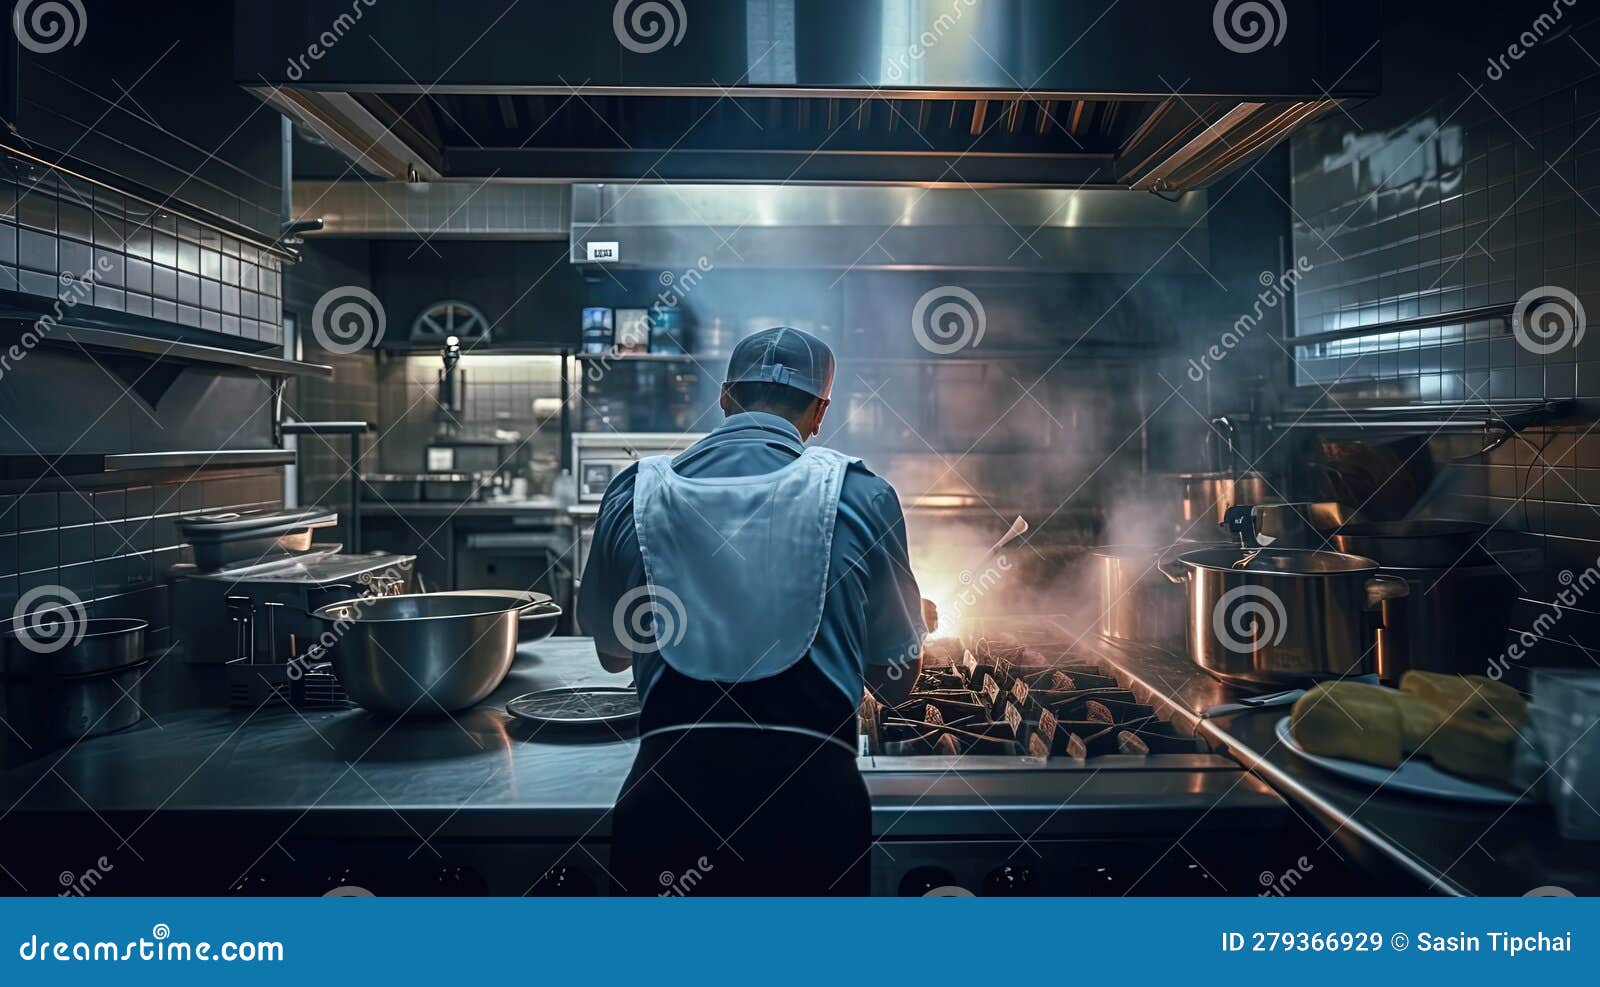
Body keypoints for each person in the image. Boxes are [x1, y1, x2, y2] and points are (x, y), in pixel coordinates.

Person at [576, 325, 931, 896]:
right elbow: (896, 682)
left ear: (724, 397)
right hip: (813, 821)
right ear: (820, 413)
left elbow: (613, 654)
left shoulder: (632, 493)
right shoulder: (863, 496)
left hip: (668, 811)